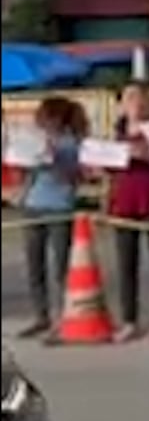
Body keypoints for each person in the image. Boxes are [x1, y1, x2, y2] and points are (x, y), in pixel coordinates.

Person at [16, 99, 85, 342]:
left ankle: (64, 317)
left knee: (62, 266)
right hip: (33, 206)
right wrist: (22, 190)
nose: (43, 122)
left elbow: (74, 177)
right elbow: (28, 172)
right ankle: (40, 315)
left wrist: (54, 159)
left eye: (47, 117)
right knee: (35, 265)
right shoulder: (36, 140)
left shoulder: (70, 143)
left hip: (59, 206)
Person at [108, 82, 149, 342]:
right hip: (124, 202)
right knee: (126, 264)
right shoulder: (117, 131)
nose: (135, 103)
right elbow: (110, 171)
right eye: (129, 98)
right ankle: (129, 320)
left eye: (140, 97)